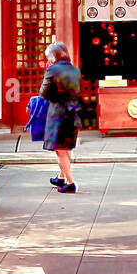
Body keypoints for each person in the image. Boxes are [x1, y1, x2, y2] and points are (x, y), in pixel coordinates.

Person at [40, 42, 81, 193]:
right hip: (73, 113)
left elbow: (43, 93)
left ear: (52, 57)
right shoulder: (75, 70)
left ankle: (70, 183)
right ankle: (61, 177)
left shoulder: (52, 70)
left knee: (60, 149)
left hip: (58, 114)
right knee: (67, 147)